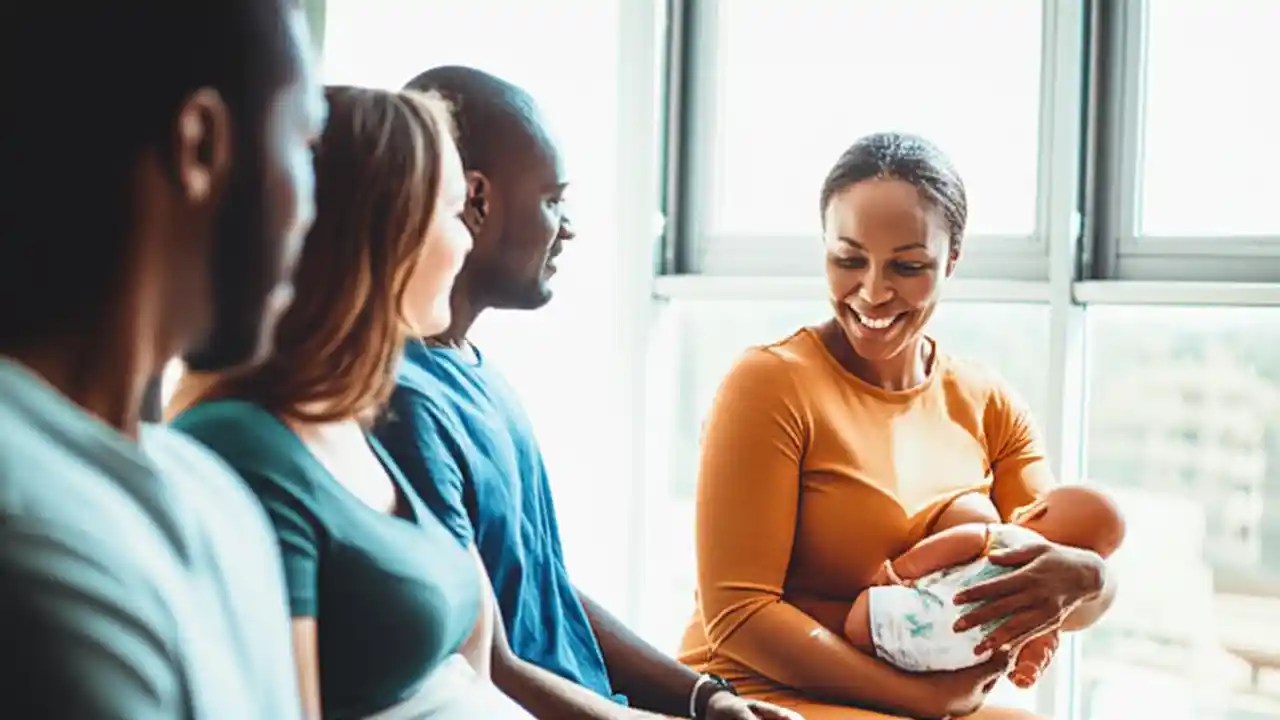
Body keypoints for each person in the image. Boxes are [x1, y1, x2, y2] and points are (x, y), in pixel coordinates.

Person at [375, 65, 799, 720]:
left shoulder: (480, 374)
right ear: (477, 199)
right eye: (552, 200)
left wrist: (704, 700)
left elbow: (547, 595)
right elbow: (484, 670)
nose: (566, 227)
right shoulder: (404, 405)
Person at [678, 132, 1119, 720]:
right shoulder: (769, 385)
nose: (874, 291)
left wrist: (1087, 577)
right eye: (848, 259)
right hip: (754, 695)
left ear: (951, 261)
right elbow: (738, 614)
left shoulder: (987, 403)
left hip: (926, 702)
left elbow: (1061, 560)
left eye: (908, 266)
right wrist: (922, 702)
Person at [0, 2, 324, 717]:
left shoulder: (216, 493)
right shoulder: (32, 537)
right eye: (303, 142)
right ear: (200, 144)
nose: (311, 210)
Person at [171, 86, 534, 719]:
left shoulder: (352, 422)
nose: (470, 243)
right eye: (455, 212)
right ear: (387, 233)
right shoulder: (243, 447)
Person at [844, 485, 1126, 683]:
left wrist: (899, 570)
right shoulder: (1047, 599)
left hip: (905, 615)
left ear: (1037, 510)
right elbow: (1044, 639)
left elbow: (953, 545)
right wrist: (1030, 665)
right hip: (953, 661)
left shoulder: (1009, 538)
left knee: (861, 616)